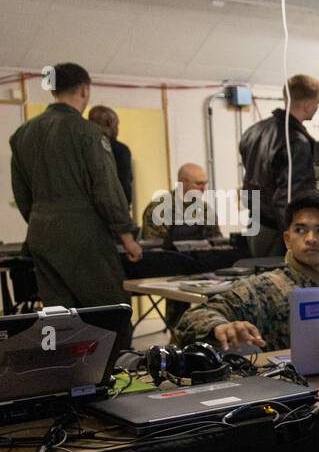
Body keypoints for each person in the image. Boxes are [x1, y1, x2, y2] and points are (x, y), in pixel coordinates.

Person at [9, 62, 143, 311]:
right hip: (84, 235)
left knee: (60, 318)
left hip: (41, 233)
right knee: (110, 311)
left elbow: (21, 192)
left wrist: (42, 219)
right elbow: (107, 190)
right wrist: (127, 236)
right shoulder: (88, 133)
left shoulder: (22, 134)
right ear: (84, 90)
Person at [173, 191, 319, 351]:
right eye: (300, 230)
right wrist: (220, 326)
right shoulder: (262, 290)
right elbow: (192, 318)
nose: (311, 238)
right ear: (287, 239)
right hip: (288, 392)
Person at [240, 73, 319, 257]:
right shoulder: (296, 141)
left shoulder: (253, 131)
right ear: (308, 105)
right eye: (317, 103)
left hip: (254, 224)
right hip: (278, 231)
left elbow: (251, 179)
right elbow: (289, 196)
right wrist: (294, 237)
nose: (317, 107)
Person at [141, 163, 221, 243]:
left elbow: (217, 241)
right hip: (170, 254)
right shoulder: (159, 208)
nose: (204, 188)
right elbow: (154, 246)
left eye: (205, 183)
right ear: (183, 183)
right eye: (198, 184)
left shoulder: (205, 209)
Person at [88, 105, 133, 219]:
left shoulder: (82, 147)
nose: (117, 130)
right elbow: (124, 185)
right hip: (113, 216)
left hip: (86, 216)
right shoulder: (120, 151)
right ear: (109, 124)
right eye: (116, 125)